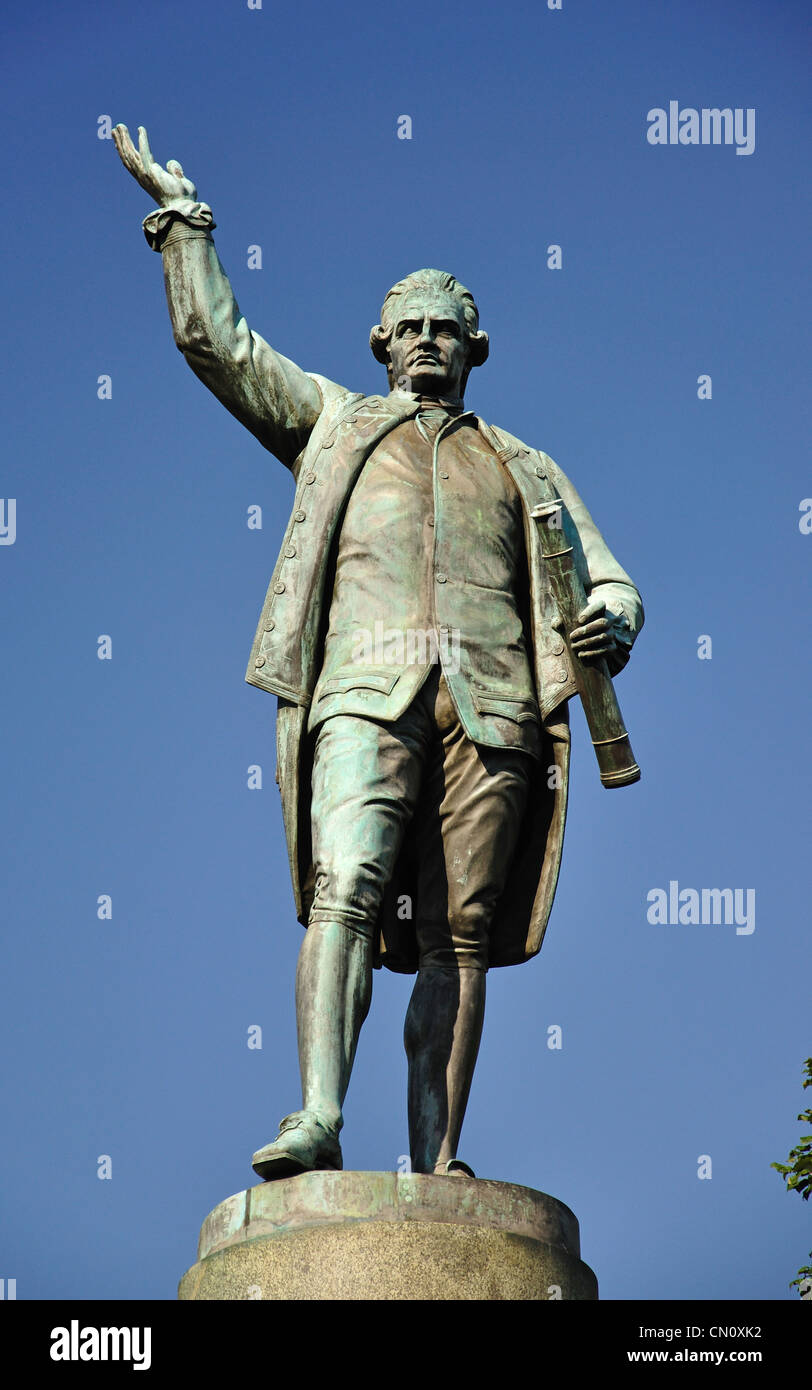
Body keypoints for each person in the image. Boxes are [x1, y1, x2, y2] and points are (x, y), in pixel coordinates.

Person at [113, 124, 644, 1181]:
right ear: (377, 341)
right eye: (407, 325)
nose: (425, 340)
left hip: (494, 709)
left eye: (446, 327)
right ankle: (316, 1112)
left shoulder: (524, 465)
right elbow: (221, 346)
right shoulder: (333, 424)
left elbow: (611, 578)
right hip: (359, 688)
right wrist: (186, 228)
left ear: (473, 346)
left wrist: (613, 621)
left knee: (461, 932)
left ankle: (437, 1156)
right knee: (344, 885)